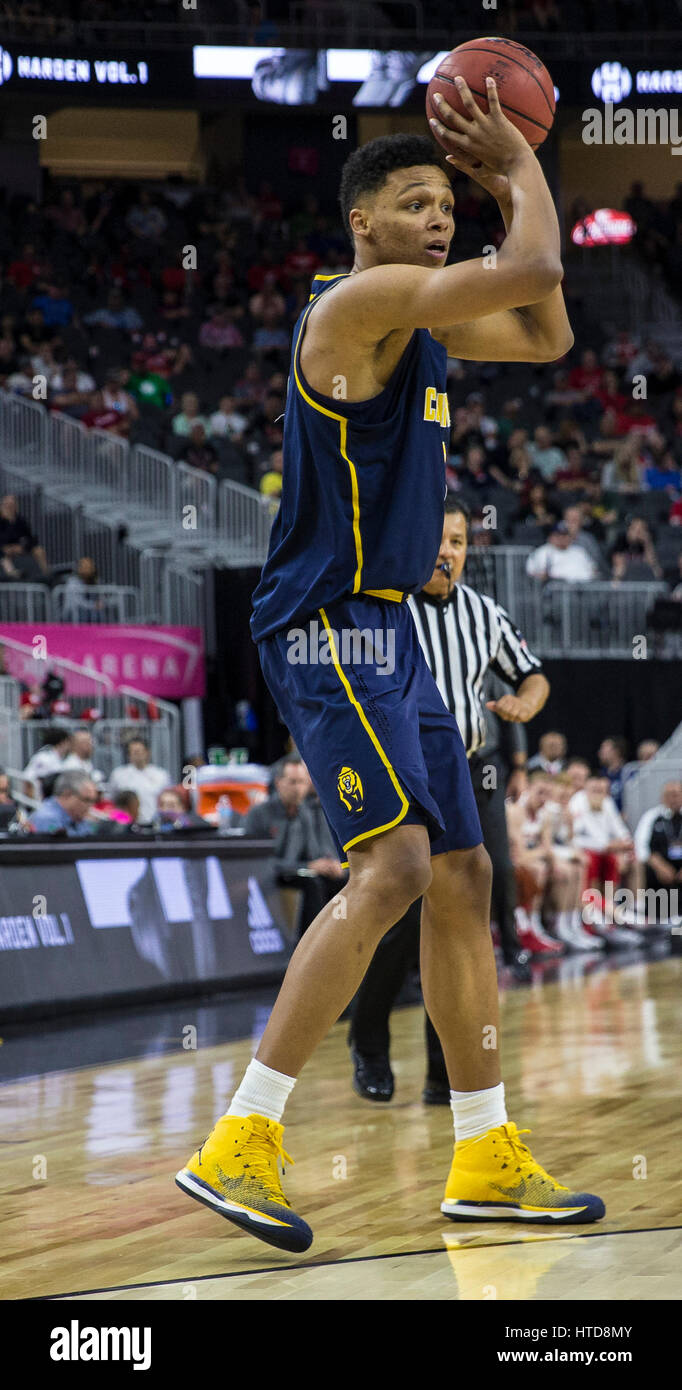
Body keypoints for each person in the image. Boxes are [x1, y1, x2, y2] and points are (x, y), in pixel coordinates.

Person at [176, 93, 604, 1250]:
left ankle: (483, 1151)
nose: (436, 218)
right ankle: (239, 1139)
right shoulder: (356, 304)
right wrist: (515, 166)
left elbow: (548, 331)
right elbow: (531, 265)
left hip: (394, 628)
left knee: (464, 874)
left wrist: (509, 189)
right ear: (360, 222)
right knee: (400, 864)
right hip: (326, 622)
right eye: (414, 202)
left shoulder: (426, 326)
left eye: (446, 204)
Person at [348, 499, 549, 1106]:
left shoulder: (485, 613)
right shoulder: (389, 609)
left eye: (458, 542)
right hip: (400, 774)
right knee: (404, 914)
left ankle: (444, 1072)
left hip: (471, 771)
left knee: (464, 910)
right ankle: (368, 1040)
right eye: (437, 540)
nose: (447, 552)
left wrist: (525, 704)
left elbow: (533, 673)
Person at [108, 738, 171, 823]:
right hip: (126, 824)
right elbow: (112, 801)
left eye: (139, 751)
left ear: (148, 752)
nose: (137, 755)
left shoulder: (161, 775)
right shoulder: (118, 774)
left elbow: (168, 800)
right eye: (134, 752)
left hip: (155, 823)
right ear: (129, 754)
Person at [28, 770, 98, 836]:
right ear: (67, 794)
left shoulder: (78, 818)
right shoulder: (46, 818)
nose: (90, 805)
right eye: (86, 800)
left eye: (93, 801)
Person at [525, 521, 598, 583]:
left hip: (583, 588)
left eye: (565, 535)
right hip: (555, 590)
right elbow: (531, 572)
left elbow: (593, 569)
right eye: (558, 535)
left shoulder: (579, 551)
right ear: (550, 537)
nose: (562, 538)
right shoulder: (542, 552)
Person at [22, 726, 72, 799]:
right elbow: (28, 779)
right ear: (62, 742)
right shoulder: (43, 757)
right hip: (42, 798)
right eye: (68, 742)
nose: (70, 746)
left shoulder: (63, 758)